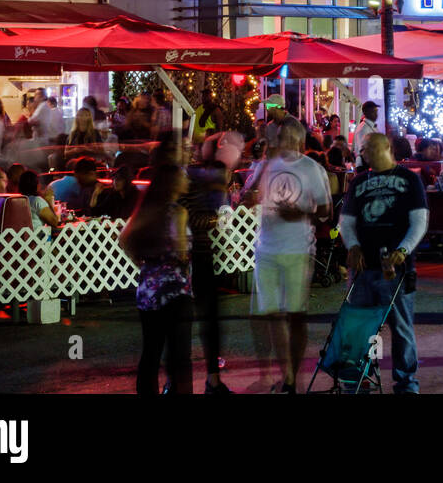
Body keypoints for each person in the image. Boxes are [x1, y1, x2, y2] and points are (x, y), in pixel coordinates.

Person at [340, 132, 429, 393]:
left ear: (386, 148)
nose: (364, 153)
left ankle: (406, 382)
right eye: (363, 150)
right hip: (364, 267)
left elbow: (419, 220)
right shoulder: (358, 183)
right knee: (360, 326)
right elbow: (346, 222)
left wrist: (403, 249)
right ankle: (360, 377)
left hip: (397, 268)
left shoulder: (409, 179)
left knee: (401, 326)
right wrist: (353, 245)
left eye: (368, 148)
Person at [252, 117, 332, 393]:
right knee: (273, 314)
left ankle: (291, 378)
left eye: (286, 138)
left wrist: (301, 213)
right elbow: (251, 194)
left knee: (296, 314)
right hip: (267, 248)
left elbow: (326, 211)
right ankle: (286, 375)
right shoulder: (267, 165)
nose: (280, 142)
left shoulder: (312, 169)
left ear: (298, 141)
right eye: (279, 137)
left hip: (298, 249)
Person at [120, 161, 194, 394]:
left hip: (149, 289)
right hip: (175, 290)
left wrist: (144, 261)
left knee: (151, 351)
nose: (188, 180)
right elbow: (181, 252)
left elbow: (124, 239)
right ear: (173, 183)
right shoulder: (178, 212)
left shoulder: (145, 211)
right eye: (184, 177)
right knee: (180, 353)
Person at [183, 131, 242, 394]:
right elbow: (190, 221)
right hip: (189, 257)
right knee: (187, 320)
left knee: (209, 320)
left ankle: (212, 378)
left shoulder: (210, 180)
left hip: (204, 257)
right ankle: (187, 380)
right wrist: (217, 221)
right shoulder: (200, 180)